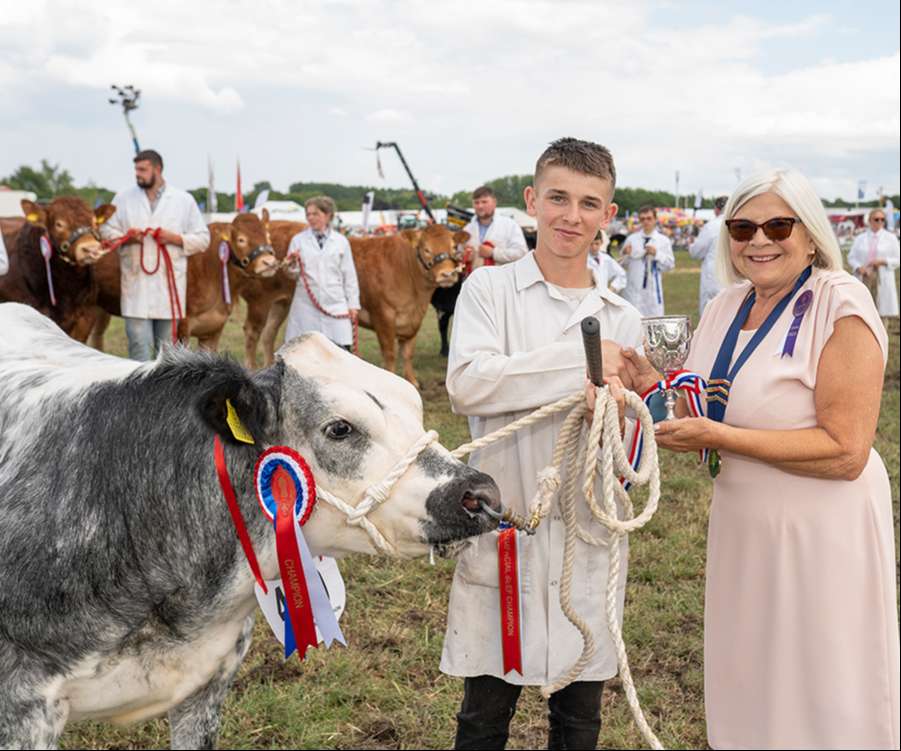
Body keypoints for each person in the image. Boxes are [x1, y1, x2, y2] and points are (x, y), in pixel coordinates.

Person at [622, 168, 899, 750]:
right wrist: (649, 388)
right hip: (745, 525)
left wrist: (723, 438)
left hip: (823, 528)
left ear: (810, 233)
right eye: (743, 228)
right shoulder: (725, 305)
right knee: (750, 668)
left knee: (825, 676)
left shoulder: (840, 302)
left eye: (777, 224)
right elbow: (698, 411)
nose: (758, 240)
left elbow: (847, 451)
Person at [441, 137, 641, 750]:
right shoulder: (488, 291)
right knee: (483, 712)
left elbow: (629, 454)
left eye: (588, 204)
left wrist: (634, 410)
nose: (570, 217)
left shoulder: (624, 318)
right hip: (507, 525)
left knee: (579, 717)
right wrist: (582, 366)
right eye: (558, 198)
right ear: (532, 201)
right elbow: (468, 385)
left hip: (587, 533)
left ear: (608, 215)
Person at [102, 149, 210, 361]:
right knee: (138, 347)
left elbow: (203, 238)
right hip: (136, 286)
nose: (138, 174)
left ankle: (164, 393)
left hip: (168, 288)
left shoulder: (183, 200)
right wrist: (127, 237)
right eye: (136, 169)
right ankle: (141, 394)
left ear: (157, 169)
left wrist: (176, 239)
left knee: (167, 353)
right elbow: (106, 231)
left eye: (142, 169)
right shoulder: (123, 198)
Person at [283, 196, 360, 350]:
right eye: (308, 214)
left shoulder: (341, 241)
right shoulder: (298, 241)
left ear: (328, 215)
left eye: (315, 214)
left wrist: (353, 305)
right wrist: (290, 266)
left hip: (335, 303)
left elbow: (349, 276)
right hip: (305, 306)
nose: (310, 218)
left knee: (339, 352)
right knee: (304, 352)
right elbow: (293, 274)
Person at [619, 205, 675, 316]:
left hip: (653, 289)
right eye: (643, 219)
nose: (646, 222)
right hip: (634, 287)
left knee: (653, 322)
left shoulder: (663, 241)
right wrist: (625, 253)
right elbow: (622, 264)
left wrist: (656, 254)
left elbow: (670, 265)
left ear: (655, 219)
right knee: (633, 322)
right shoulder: (631, 239)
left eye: (649, 218)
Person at [847, 206, 899, 319]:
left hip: (882, 277)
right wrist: (858, 267)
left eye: (882, 219)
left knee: (881, 311)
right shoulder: (860, 238)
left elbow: (897, 259)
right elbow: (851, 257)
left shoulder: (891, 238)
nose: (880, 222)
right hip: (863, 276)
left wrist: (883, 261)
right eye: (876, 219)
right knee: (862, 309)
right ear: (869, 220)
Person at [462, 185, 528, 271]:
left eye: (484, 202)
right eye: (476, 202)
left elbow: (522, 253)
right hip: (474, 281)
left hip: (503, 281)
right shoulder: (467, 229)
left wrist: (493, 253)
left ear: (494, 202)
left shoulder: (509, 225)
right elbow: (459, 255)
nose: (480, 206)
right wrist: (465, 256)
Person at [689, 195, 728, 315]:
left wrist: (691, 244)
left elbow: (696, 252)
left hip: (714, 280)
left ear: (716, 209)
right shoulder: (741, 224)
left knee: (711, 317)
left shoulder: (711, 226)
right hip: (736, 279)